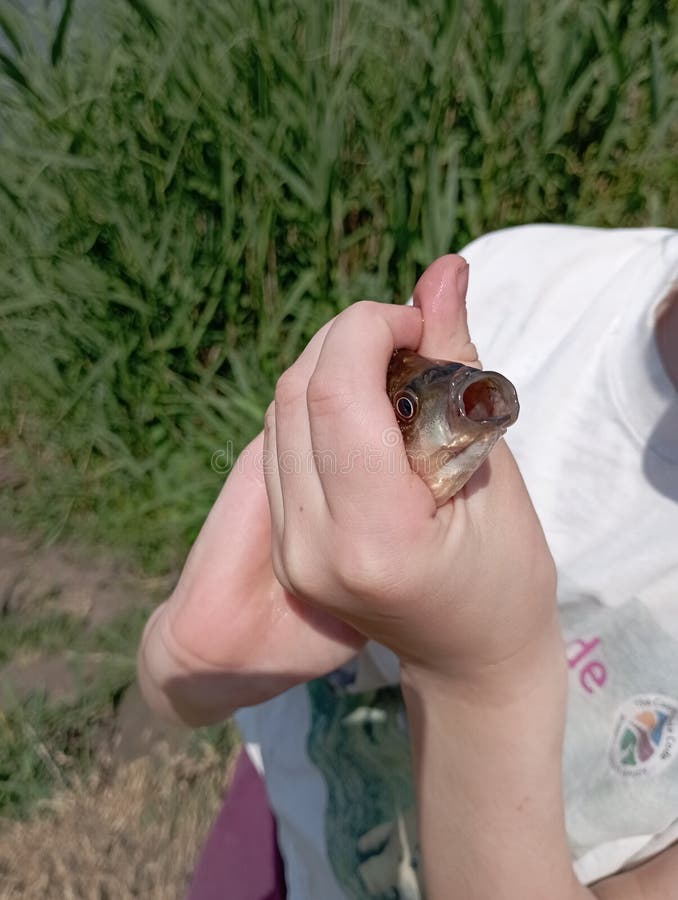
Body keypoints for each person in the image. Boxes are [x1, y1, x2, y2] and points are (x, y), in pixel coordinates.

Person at [138, 225, 678, 899]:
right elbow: (181, 682)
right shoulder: (520, 276)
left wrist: (478, 677)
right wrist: (184, 656)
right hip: (283, 810)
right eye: (407, 407)